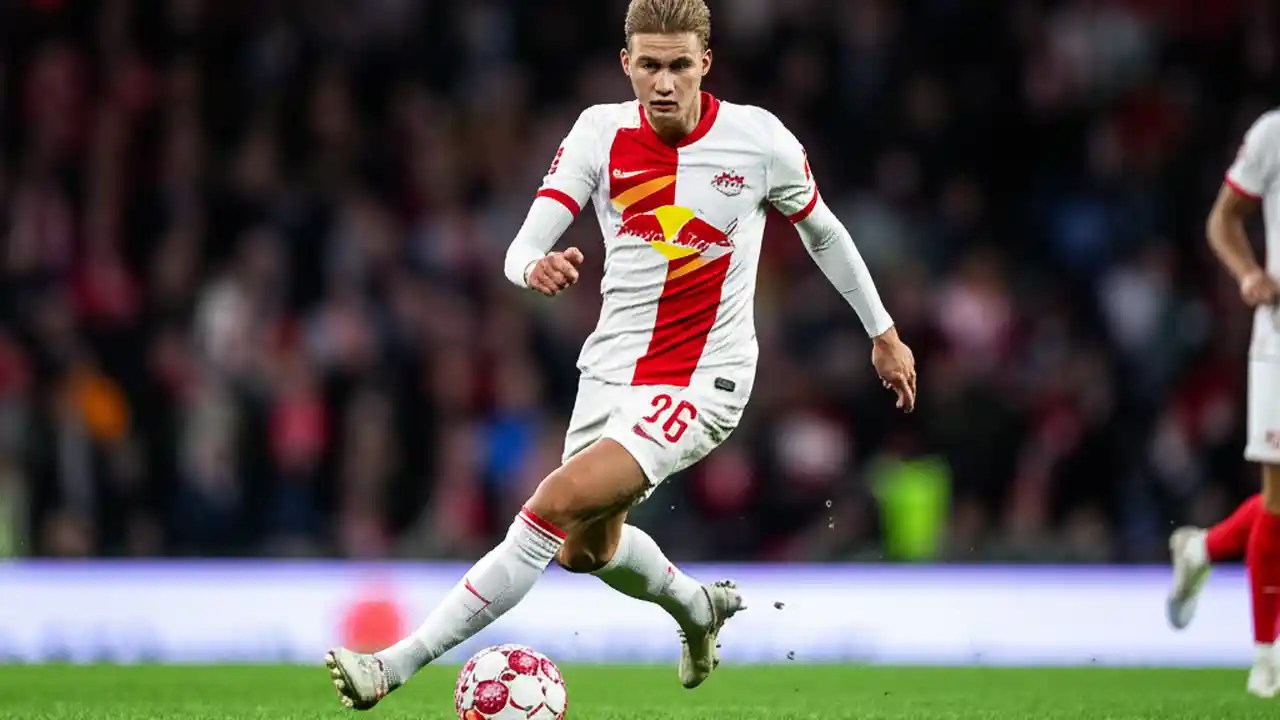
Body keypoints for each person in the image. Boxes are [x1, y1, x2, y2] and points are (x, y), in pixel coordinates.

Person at [325, 0, 917, 709]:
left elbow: (824, 233)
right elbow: (522, 246)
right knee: (585, 550)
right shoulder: (598, 134)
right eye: (648, 66)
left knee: (550, 507)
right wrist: (532, 270)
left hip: (704, 379)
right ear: (625, 64)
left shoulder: (758, 141)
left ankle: (391, 666)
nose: (663, 83)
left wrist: (881, 333)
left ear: (705, 63)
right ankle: (696, 608)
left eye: (677, 66)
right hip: (610, 370)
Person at [1167, 108, 1280, 697]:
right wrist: (1247, 274)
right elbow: (1223, 221)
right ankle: (1266, 659)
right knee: (1279, 499)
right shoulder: (1273, 134)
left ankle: (1202, 548)